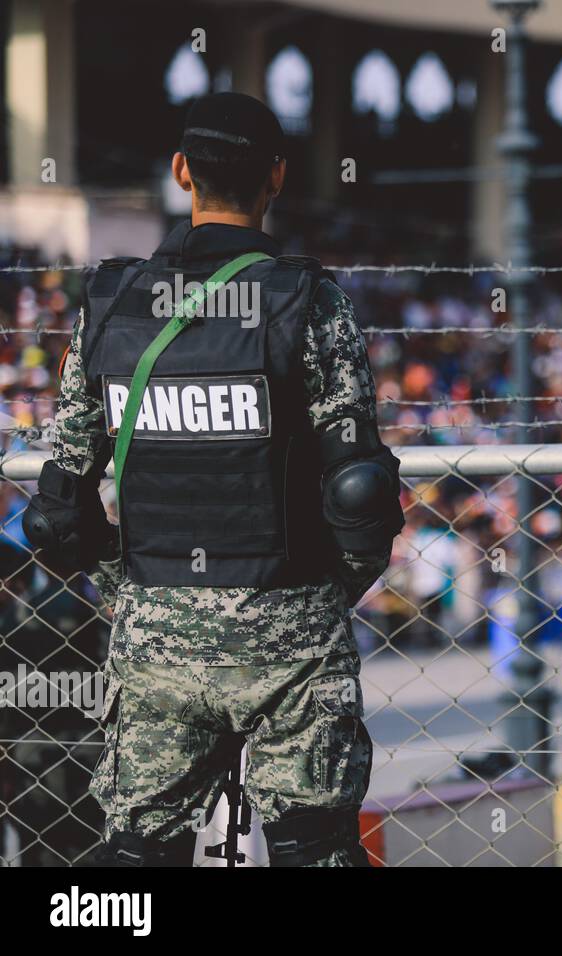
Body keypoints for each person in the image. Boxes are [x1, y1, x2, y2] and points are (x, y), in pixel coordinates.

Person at [21, 92, 405, 866]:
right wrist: (321, 595)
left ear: (181, 172)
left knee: (134, 857)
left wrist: (127, 587)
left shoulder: (112, 303)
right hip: (289, 626)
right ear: (277, 177)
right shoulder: (309, 301)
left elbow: (59, 507)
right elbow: (359, 494)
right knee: (315, 847)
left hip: (154, 631)